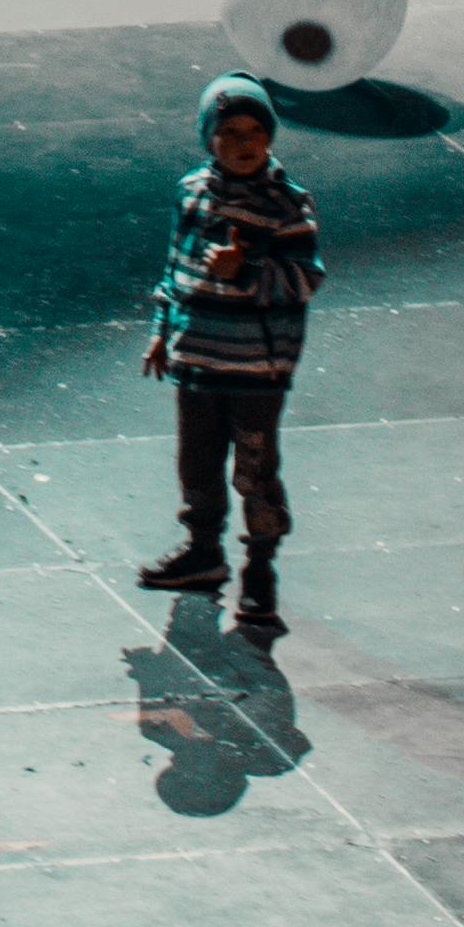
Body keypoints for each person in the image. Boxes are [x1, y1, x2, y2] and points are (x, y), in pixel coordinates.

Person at [137, 68, 320, 642]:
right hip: (197, 360)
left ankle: (260, 570)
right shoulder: (192, 192)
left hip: (255, 370)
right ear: (207, 139)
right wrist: (162, 330)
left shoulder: (286, 204)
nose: (244, 143)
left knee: (255, 471)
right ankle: (203, 551)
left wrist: (247, 270)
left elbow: (304, 280)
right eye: (230, 132)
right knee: (197, 462)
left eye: (255, 131)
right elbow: (176, 269)